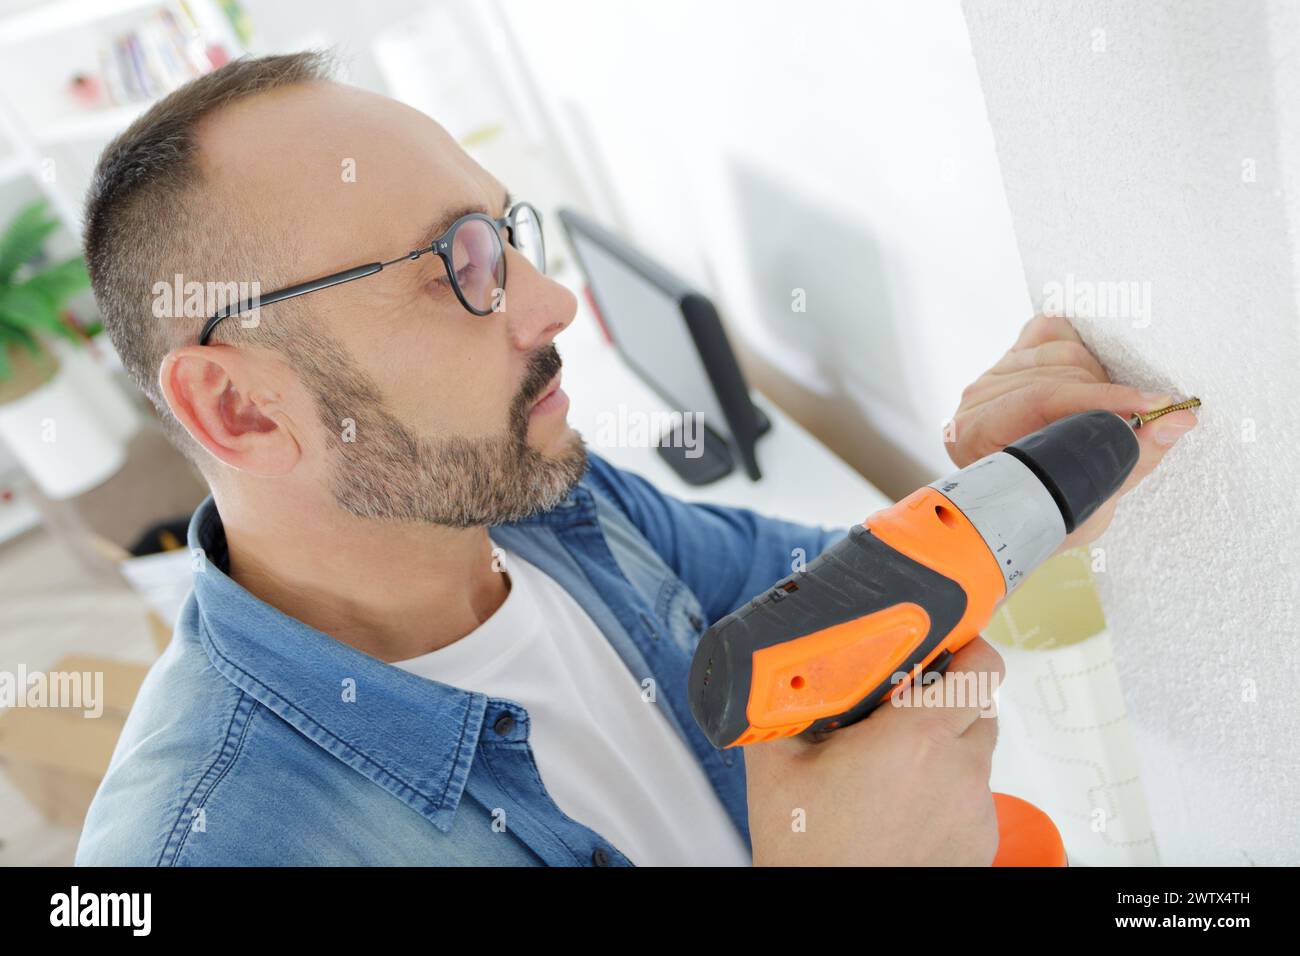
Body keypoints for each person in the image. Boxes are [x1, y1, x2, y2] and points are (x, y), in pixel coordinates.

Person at [74, 52, 1196, 866]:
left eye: (504, 233)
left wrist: (1013, 485)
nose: (552, 301)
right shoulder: (218, 848)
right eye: (452, 265)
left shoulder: (542, 508)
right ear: (241, 406)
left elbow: (854, 588)